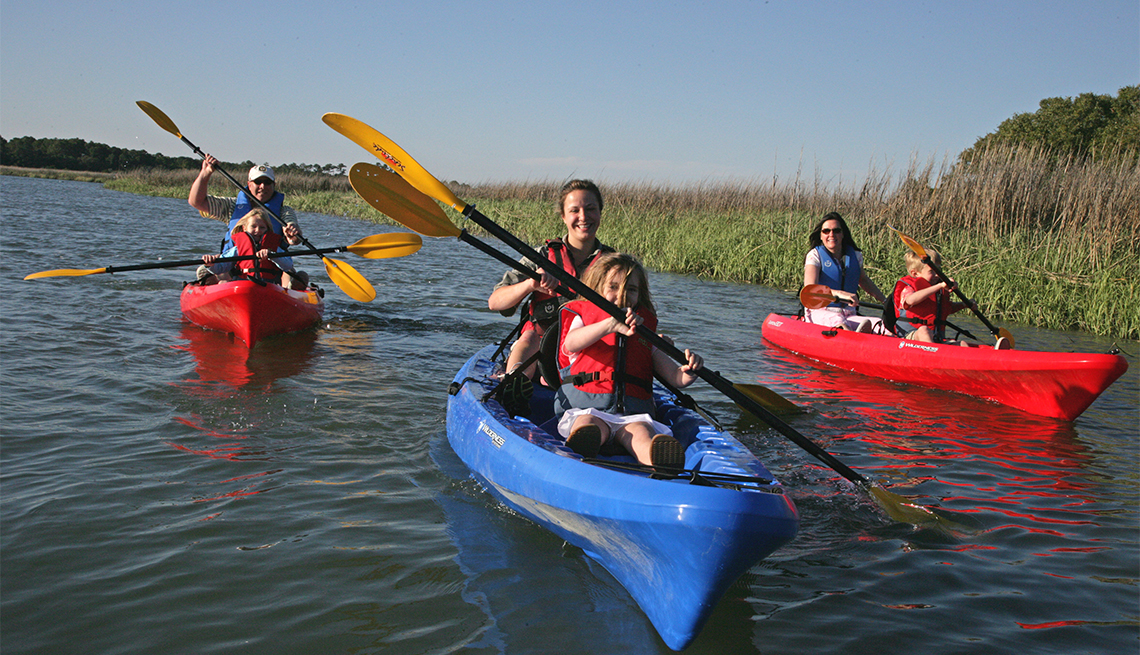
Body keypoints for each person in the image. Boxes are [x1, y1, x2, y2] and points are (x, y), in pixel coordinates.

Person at [553, 252, 703, 469]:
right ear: (597, 287)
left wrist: (690, 370)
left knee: (641, 434)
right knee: (590, 425)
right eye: (613, 287)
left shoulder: (645, 331)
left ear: (639, 295)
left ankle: (658, 461)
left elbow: (675, 377)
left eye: (630, 289)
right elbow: (571, 343)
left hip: (633, 415)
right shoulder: (584, 317)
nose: (621, 295)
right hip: (588, 408)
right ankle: (584, 446)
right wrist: (609, 325)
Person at [488, 179, 613, 379]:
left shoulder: (615, 265)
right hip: (541, 344)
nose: (583, 217)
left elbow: (639, 309)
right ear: (563, 216)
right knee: (529, 336)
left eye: (590, 209)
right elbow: (495, 303)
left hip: (591, 346)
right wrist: (531, 284)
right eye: (574, 210)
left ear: (600, 213)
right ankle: (514, 380)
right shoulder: (541, 257)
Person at [189, 155, 306, 285]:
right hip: (235, 267)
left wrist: (293, 234)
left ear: (274, 185)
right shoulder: (232, 206)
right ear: (249, 184)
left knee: (292, 273)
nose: (263, 186)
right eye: (258, 182)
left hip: (272, 269)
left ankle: (292, 289)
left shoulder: (284, 211)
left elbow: (294, 238)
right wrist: (205, 174)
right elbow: (196, 202)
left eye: (267, 183)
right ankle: (216, 284)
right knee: (208, 269)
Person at [892, 248, 1008, 348]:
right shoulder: (909, 286)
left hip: (935, 337)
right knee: (924, 330)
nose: (937, 275)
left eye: (939, 270)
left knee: (962, 344)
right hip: (910, 337)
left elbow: (946, 308)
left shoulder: (938, 288)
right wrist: (939, 286)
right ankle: (933, 359)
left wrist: (964, 305)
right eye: (932, 271)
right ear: (915, 273)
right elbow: (910, 300)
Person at [802, 211, 889, 333]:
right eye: (826, 231)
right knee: (837, 319)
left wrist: (886, 301)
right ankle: (852, 340)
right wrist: (842, 294)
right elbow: (810, 290)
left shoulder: (855, 256)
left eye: (836, 231)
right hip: (821, 313)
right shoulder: (814, 255)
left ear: (843, 234)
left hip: (849, 315)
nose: (831, 234)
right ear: (821, 235)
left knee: (878, 324)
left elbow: (863, 280)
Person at [201, 209, 298, 289]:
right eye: (253, 226)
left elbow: (288, 265)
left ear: (267, 229)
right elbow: (220, 268)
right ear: (244, 228)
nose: (257, 231)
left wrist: (272, 255)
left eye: (262, 227)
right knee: (222, 283)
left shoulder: (273, 248)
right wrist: (210, 264)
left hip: (268, 287)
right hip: (242, 287)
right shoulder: (238, 249)